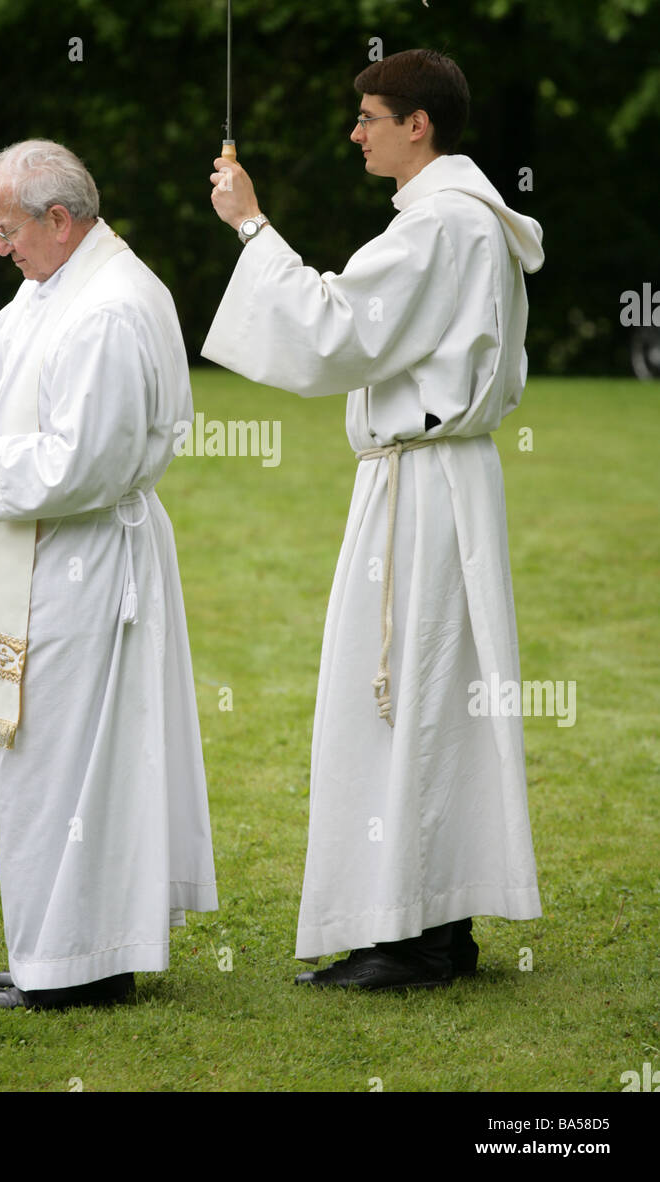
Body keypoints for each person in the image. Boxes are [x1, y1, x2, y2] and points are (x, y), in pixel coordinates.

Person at [202, 49, 543, 990]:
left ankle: (417, 937)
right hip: (435, 483)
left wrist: (251, 225)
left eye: (370, 117)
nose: (356, 133)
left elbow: (335, 330)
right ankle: (432, 922)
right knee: (431, 694)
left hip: (423, 490)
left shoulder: (439, 227)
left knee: (404, 695)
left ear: (418, 125)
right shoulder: (462, 221)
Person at [0, 139, 217, 1009]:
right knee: (46, 757)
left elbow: (86, 461)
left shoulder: (109, 306)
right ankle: (65, 949)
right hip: (57, 555)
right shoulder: (56, 286)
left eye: (8, 228)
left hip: (89, 560)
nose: (0, 246)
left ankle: (76, 967)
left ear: (59, 219)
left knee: (64, 759)